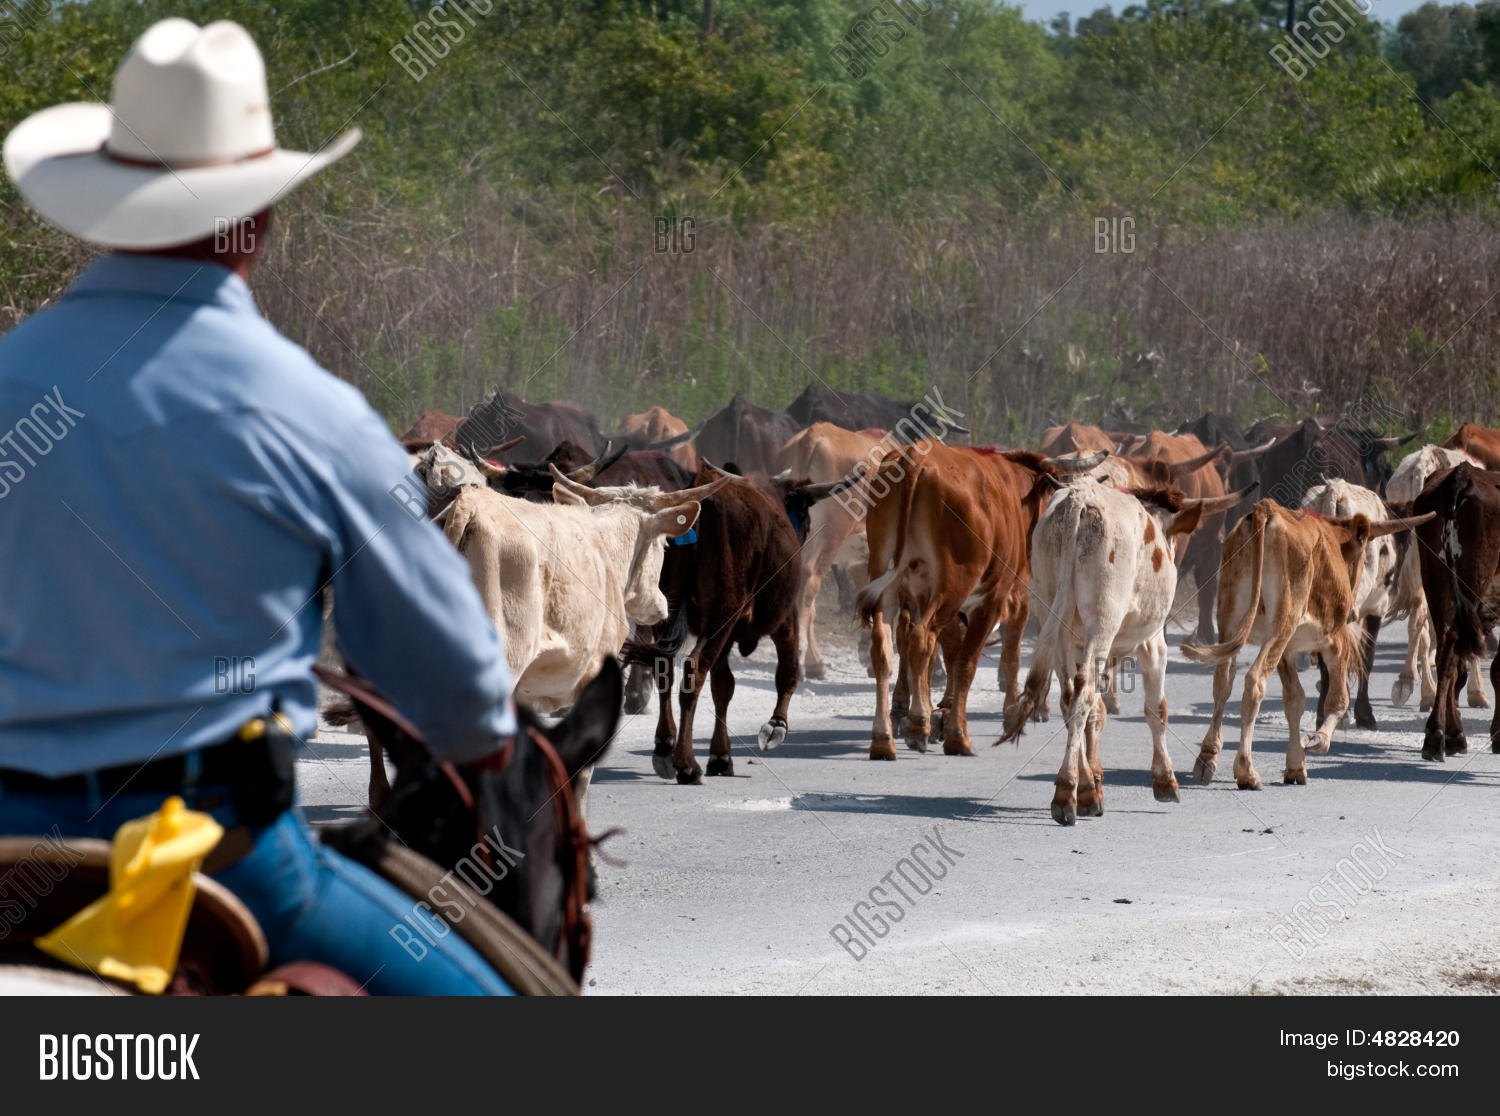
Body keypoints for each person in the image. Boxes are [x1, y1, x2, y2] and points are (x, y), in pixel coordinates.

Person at [0, 18, 517, 994]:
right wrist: (477, 738)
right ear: (261, 217)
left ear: (101, 208)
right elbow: (460, 692)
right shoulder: (312, 415)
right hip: (226, 860)